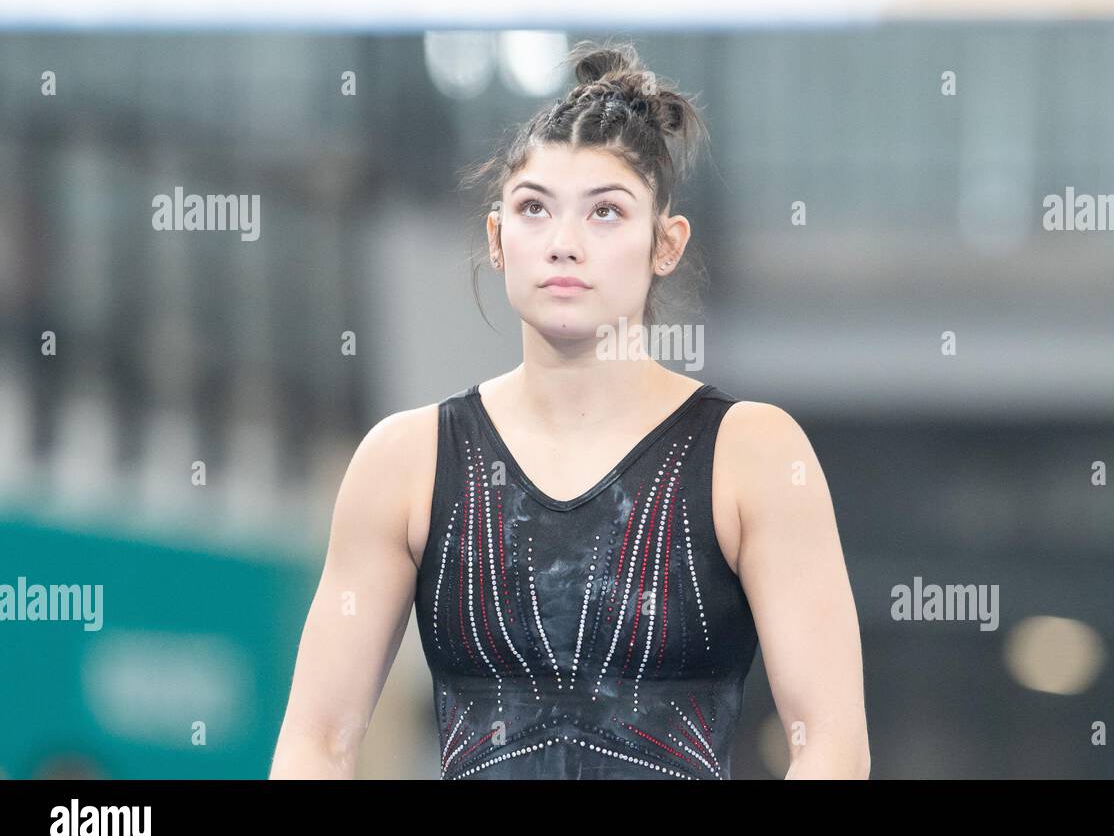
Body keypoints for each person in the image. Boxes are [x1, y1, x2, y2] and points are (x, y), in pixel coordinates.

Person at [270, 39, 869, 779]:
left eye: (606, 214)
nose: (563, 244)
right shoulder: (404, 462)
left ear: (666, 244)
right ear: (497, 238)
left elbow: (832, 747)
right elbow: (316, 742)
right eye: (533, 209)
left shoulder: (753, 455)